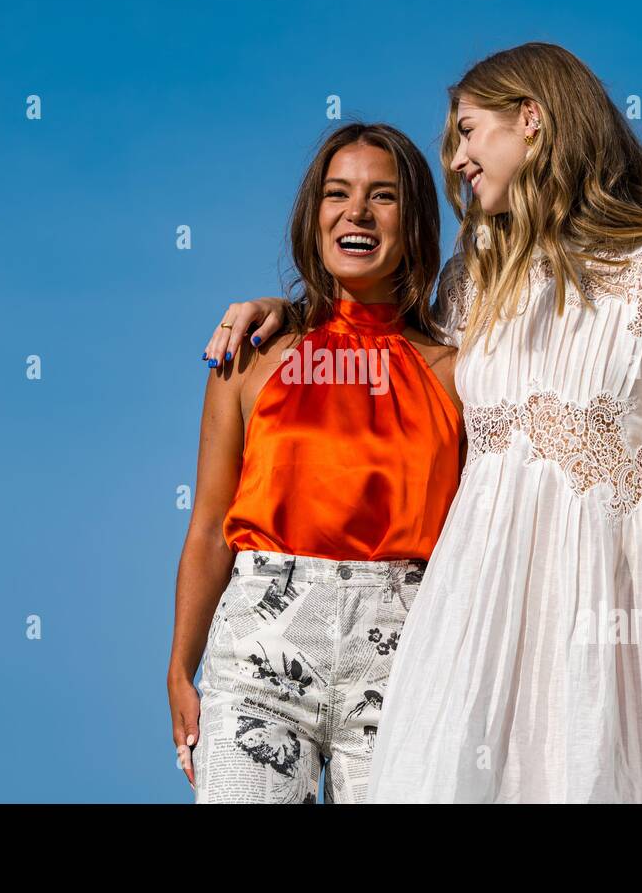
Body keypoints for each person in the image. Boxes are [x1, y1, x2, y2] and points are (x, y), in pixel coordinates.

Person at [199, 42, 642, 802]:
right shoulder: (474, 277)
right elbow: (390, 350)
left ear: (531, 120)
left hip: (612, 593)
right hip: (473, 594)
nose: (458, 162)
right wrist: (292, 311)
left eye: (469, 133)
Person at [167, 122, 464, 803]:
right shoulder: (249, 357)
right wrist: (181, 668)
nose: (356, 211)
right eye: (338, 193)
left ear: (413, 222)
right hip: (257, 651)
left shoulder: (458, 374)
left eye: (382, 196)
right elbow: (211, 523)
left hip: (406, 652)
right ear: (314, 214)